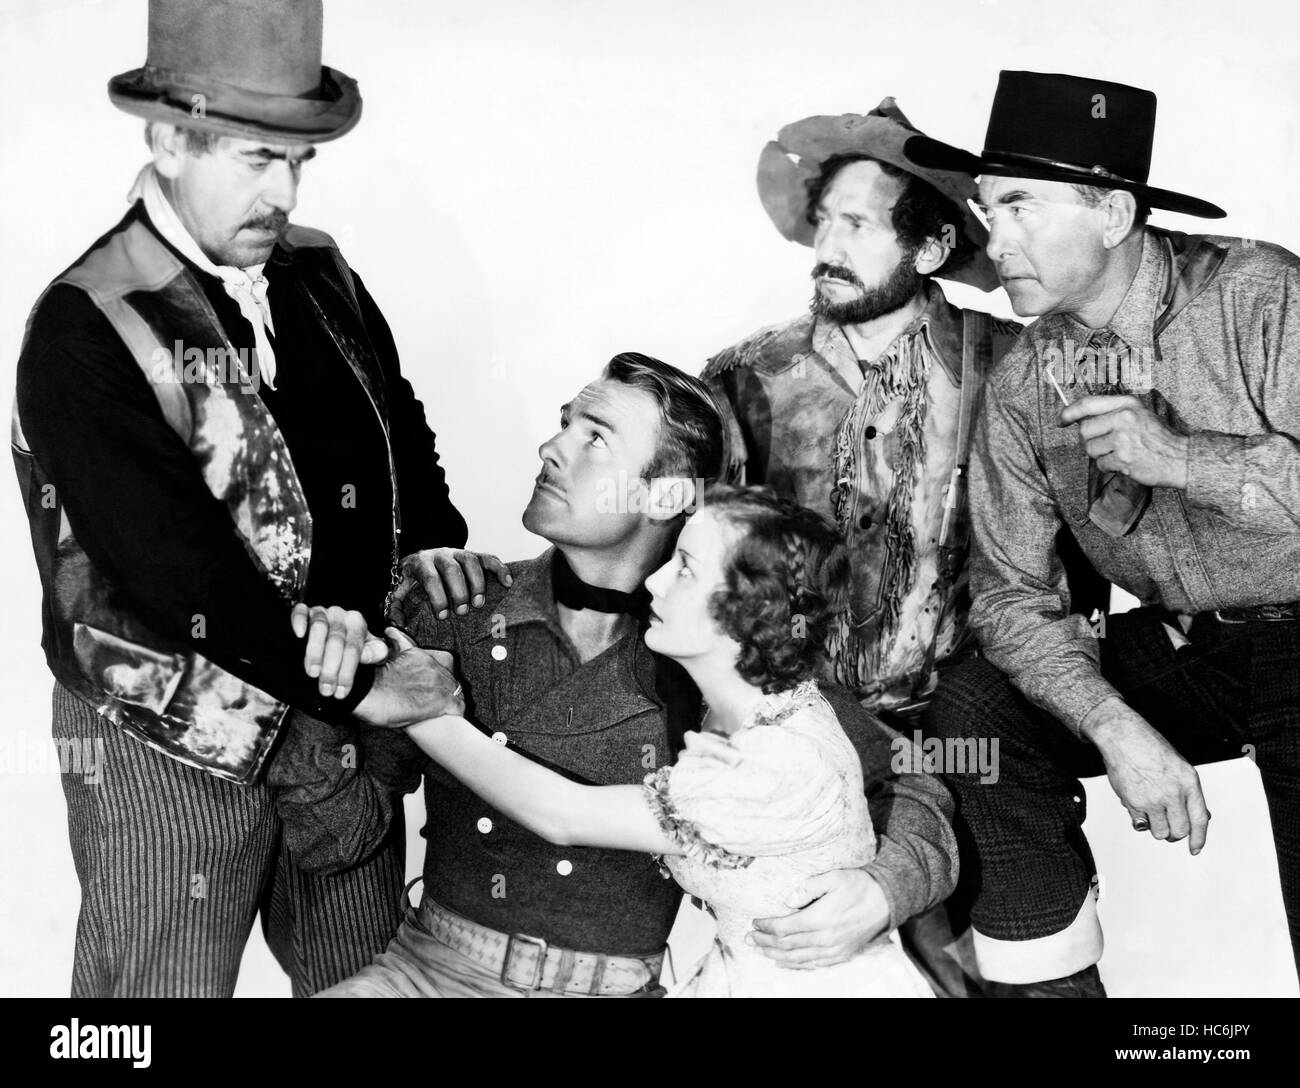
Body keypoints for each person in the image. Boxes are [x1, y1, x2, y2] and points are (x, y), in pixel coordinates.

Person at [13, 0, 465, 997]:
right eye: (256, 158)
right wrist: (347, 681)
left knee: (373, 982)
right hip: (165, 739)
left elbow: (394, 416)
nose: (283, 189)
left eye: (298, 160)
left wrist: (430, 540)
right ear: (169, 137)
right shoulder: (86, 321)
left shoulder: (315, 266)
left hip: (345, 729)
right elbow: (172, 568)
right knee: (148, 1013)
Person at [311, 352, 959, 997]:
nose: (551, 448)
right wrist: (331, 678)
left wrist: (884, 888)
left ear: (666, 493)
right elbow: (344, 838)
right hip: (428, 973)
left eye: (595, 437)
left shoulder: (714, 654)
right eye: (565, 424)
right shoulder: (459, 608)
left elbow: (908, 783)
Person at [906, 69, 1300, 996]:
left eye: (1017, 207)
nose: (989, 237)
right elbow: (1008, 595)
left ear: (1115, 213)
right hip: (1190, 652)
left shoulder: (1261, 296)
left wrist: (1183, 460)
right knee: (974, 714)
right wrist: (1112, 722)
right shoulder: (1022, 383)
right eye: (983, 208)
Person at [699, 97, 1102, 996]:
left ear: (928, 250)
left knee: (1037, 974)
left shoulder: (1013, 367)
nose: (826, 248)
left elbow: (1088, 547)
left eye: (858, 225)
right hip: (817, 750)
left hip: (985, 737)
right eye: (824, 222)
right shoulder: (747, 380)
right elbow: (687, 559)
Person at [401, 485, 935, 997]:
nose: (654, 583)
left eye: (685, 570)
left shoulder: (777, 761)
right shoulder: (765, 706)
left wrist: (420, 711)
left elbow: (564, 814)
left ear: (752, 614)